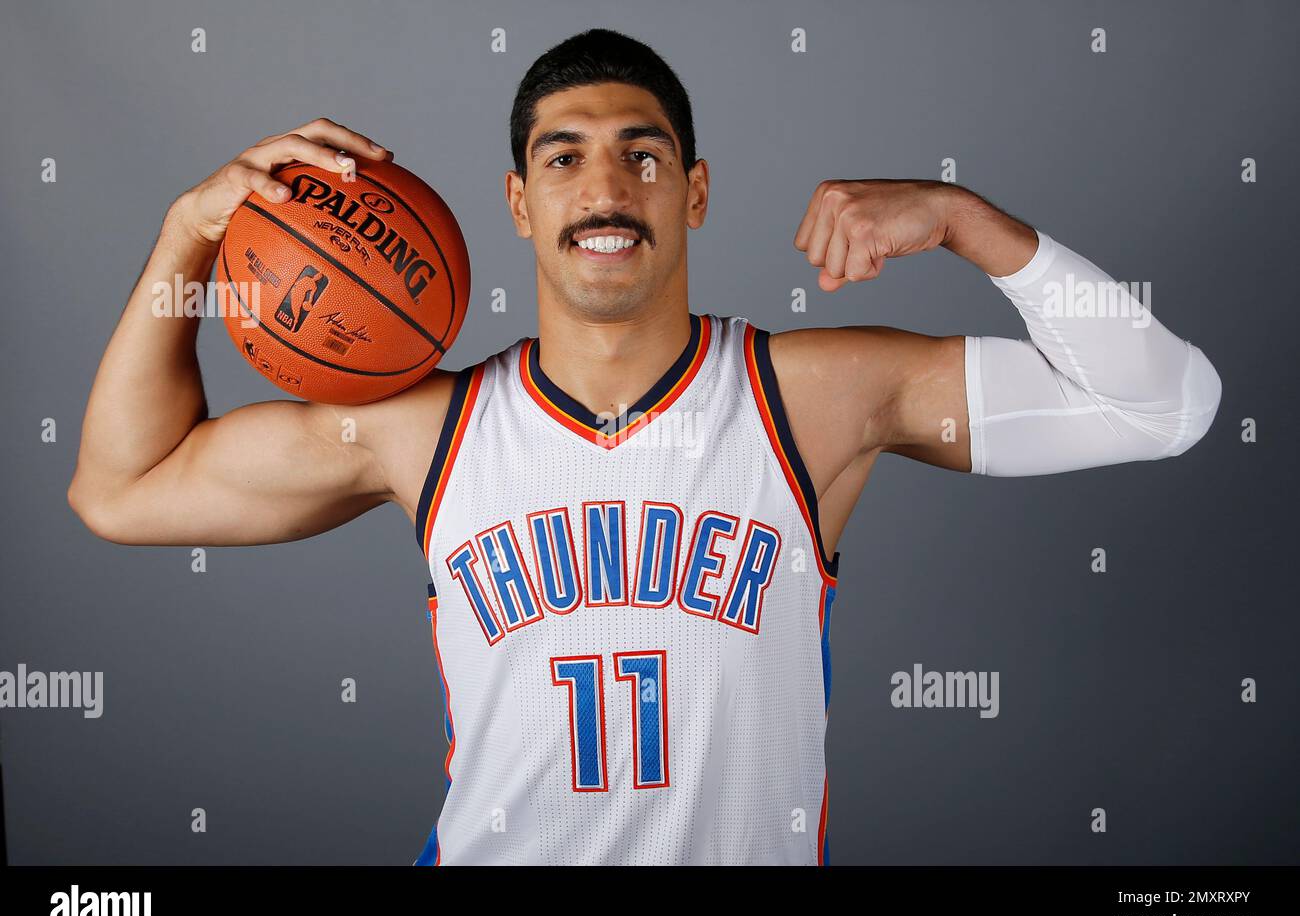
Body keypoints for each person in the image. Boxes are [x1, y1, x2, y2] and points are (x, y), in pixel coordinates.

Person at [68, 29, 1221, 865]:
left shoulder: (808, 396)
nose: (606, 184)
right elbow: (123, 488)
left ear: (696, 191)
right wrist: (189, 230)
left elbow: (1164, 406)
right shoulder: (424, 430)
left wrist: (966, 220)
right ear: (519, 203)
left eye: (643, 153)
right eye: (563, 157)